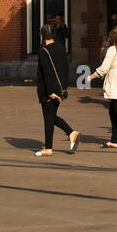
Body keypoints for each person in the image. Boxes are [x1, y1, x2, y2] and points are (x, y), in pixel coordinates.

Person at [36, 20, 79, 157]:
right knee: (50, 118)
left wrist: (50, 92)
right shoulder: (61, 48)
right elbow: (65, 70)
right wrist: (63, 89)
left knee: (49, 118)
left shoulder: (44, 51)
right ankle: (58, 141)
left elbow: (47, 73)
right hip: (60, 89)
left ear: (43, 35)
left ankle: (69, 134)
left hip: (48, 90)